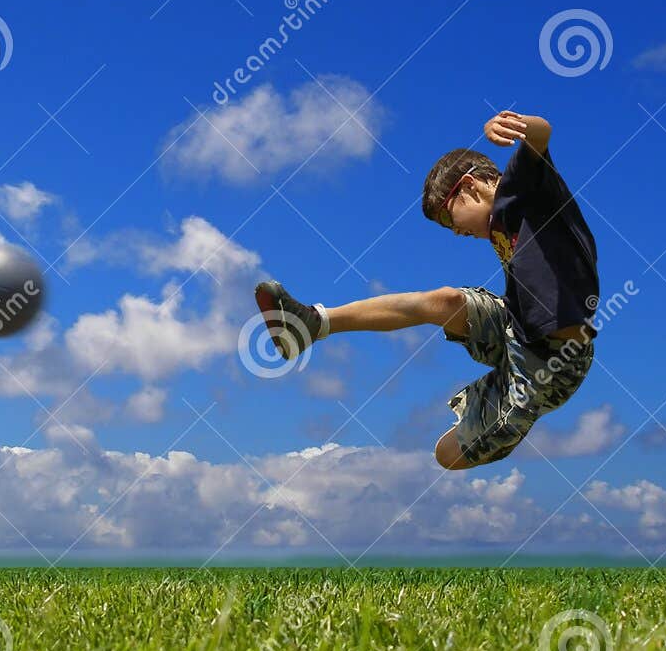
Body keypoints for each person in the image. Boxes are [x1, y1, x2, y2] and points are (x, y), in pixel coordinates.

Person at [254, 110, 599, 470]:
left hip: (553, 362)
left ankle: (505, 411)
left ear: (469, 186)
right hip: (513, 327)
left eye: (449, 218)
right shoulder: (497, 221)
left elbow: (541, 136)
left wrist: (516, 126)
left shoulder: (522, 191)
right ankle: (310, 324)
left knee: (446, 456)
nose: (454, 232)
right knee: (444, 301)